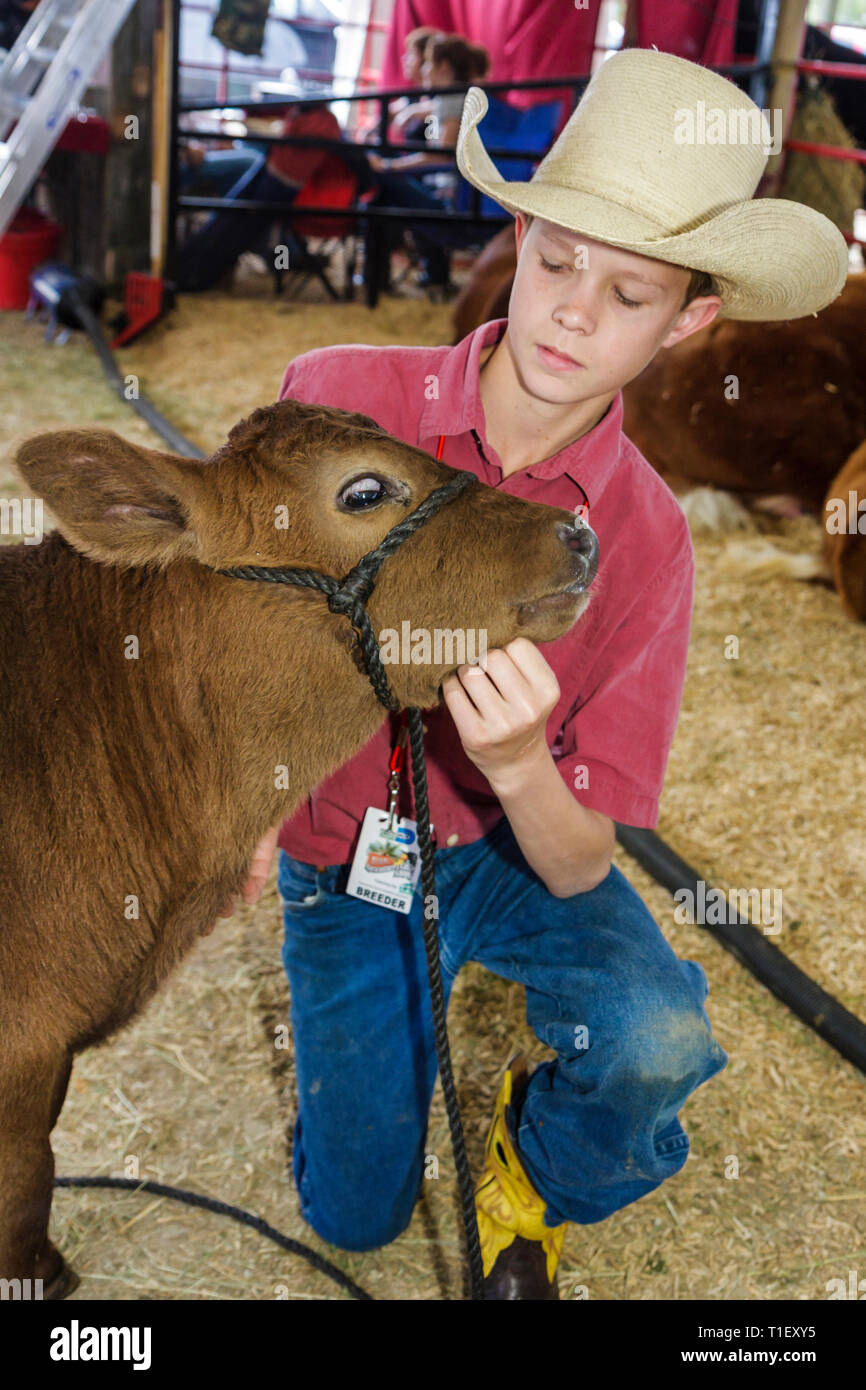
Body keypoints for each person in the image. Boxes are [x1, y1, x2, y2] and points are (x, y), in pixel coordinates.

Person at [223, 49, 847, 1299]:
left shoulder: (652, 541)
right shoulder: (335, 396)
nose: (569, 311)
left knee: (655, 1036)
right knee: (354, 1218)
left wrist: (513, 762)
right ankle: (367, 1105)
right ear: (519, 235)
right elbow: (232, 627)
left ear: (688, 321)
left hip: (515, 861)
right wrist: (237, 798)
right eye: (555, 261)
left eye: (627, 293)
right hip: (347, 861)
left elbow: (578, 861)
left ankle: (532, 1161)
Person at [174, 84, 342, 292]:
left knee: (237, 221)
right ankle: (194, 271)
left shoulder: (314, 120)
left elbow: (294, 141)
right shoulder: (313, 118)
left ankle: (194, 272)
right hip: (276, 177)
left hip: (279, 180)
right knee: (237, 221)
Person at [365, 32, 491, 293]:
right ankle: (428, 277)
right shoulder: (465, 95)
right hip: (465, 199)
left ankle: (374, 282)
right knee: (390, 184)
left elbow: (442, 156)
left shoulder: (450, 98)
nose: (423, 69)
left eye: (427, 63)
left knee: (381, 184)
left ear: (443, 67)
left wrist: (389, 167)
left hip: (450, 205)